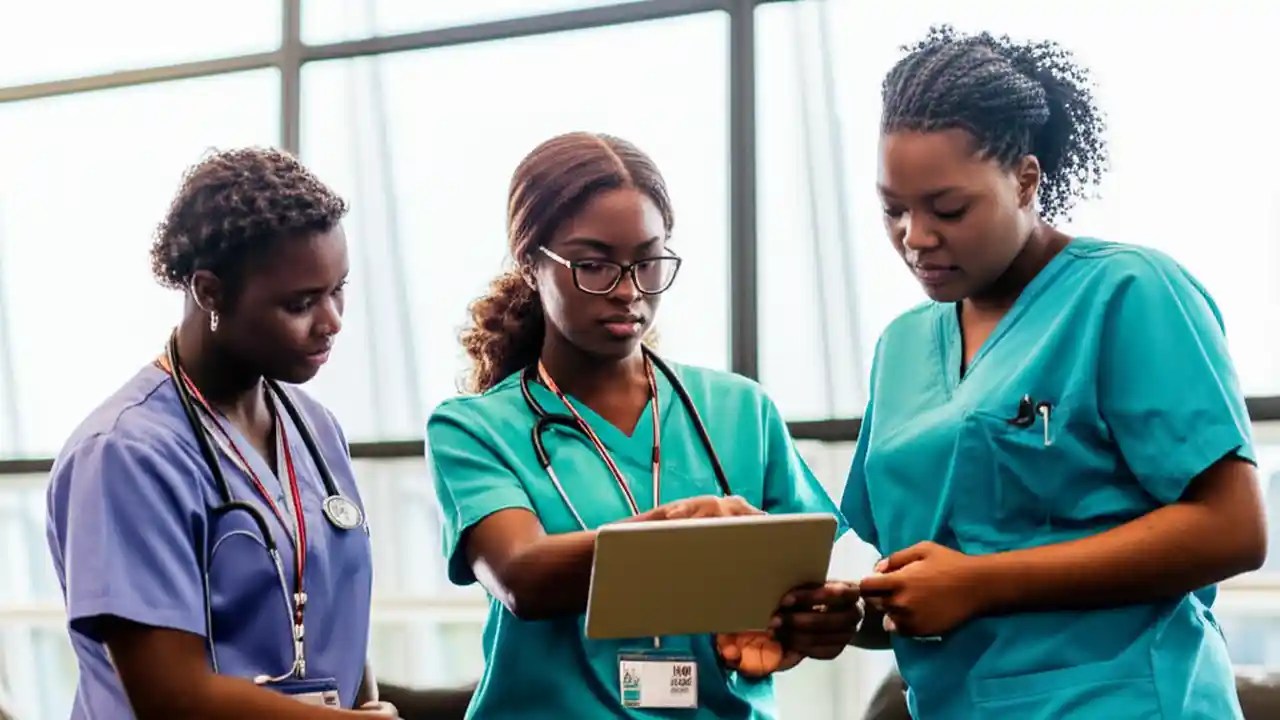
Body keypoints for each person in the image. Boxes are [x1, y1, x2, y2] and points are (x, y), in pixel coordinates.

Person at [841, 25, 1269, 719]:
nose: (915, 237)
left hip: (1124, 699)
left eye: (948, 209)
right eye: (894, 209)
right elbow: (923, 572)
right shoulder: (902, 346)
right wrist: (842, 614)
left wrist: (981, 583)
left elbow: (1232, 529)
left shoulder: (1128, 293)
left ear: (1025, 179)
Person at [426, 131, 861, 719]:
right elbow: (522, 578)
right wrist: (681, 525)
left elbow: (792, 589)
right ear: (531, 264)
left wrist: (814, 626)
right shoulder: (475, 428)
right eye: (594, 265)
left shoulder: (741, 412)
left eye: (649, 262)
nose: (629, 291)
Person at [45, 148, 397, 719]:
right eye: (301, 303)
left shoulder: (315, 428)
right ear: (208, 292)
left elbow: (333, 613)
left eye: (338, 290)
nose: (332, 321)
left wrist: (366, 705)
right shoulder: (125, 454)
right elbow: (171, 698)